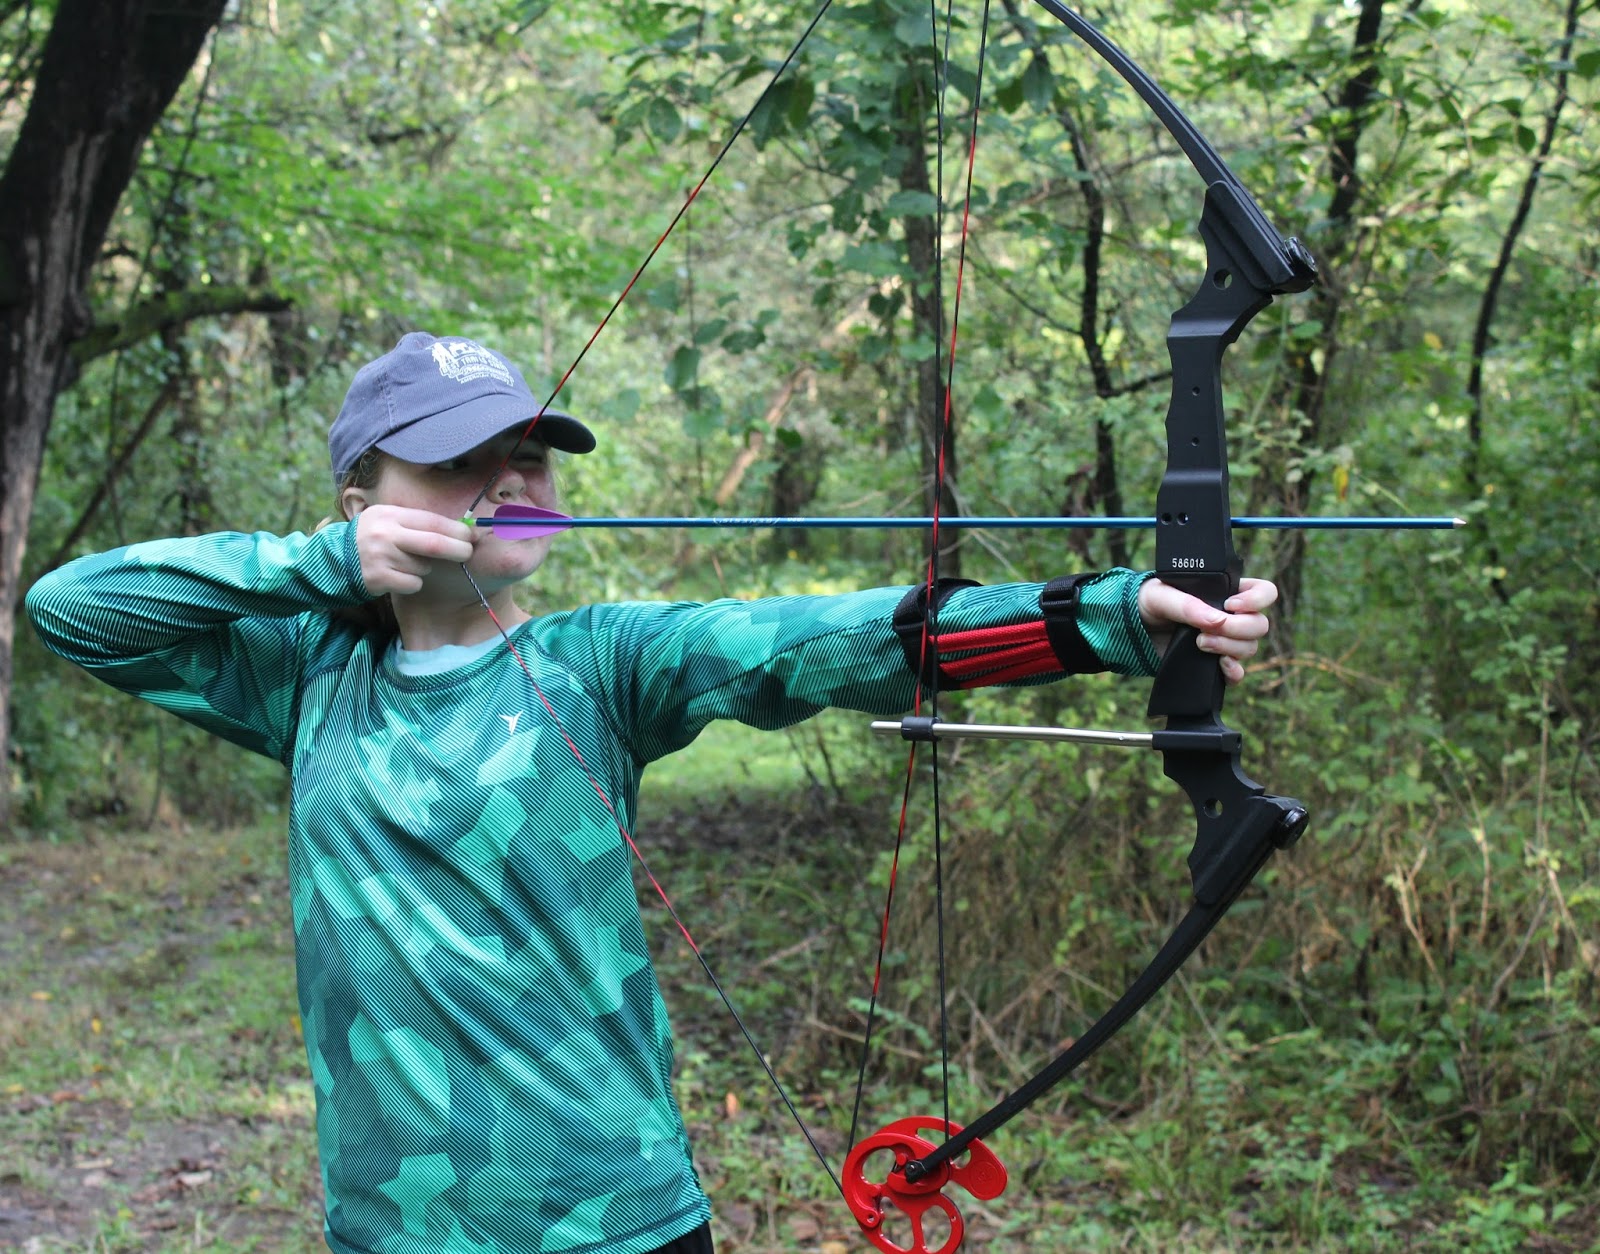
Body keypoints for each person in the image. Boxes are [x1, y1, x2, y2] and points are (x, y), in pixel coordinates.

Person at [26, 332, 1278, 1254]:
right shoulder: (303, 680)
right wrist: (316, 566)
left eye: (529, 457)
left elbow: (820, 640)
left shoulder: (601, 665)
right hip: (389, 1228)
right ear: (363, 499)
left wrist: (1118, 616)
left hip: (612, 1221)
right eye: (461, 462)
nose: (513, 479)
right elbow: (72, 610)